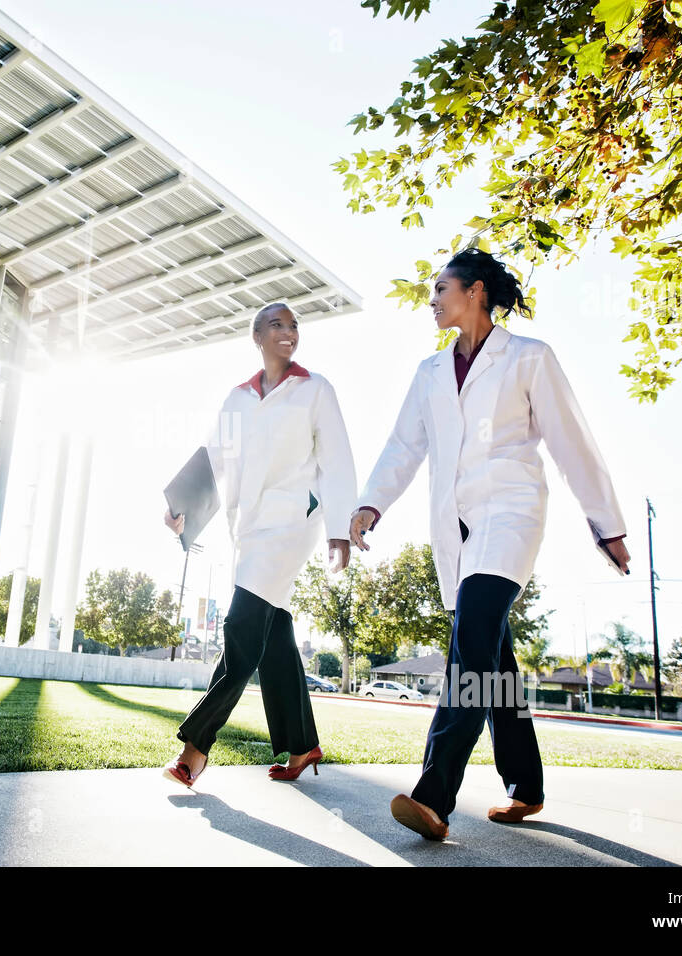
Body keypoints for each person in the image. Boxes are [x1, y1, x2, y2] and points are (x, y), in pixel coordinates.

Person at [350, 248, 630, 840]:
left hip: (510, 515)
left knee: (471, 642)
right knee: (493, 658)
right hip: (454, 528)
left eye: (441, 288)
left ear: (476, 291)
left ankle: (435, 794)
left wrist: (606, 523)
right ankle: (525, 785)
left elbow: (570, 440)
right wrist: (371, 503)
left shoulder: (528, 358)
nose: (432, 299)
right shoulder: (429, 373)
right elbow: (404, 447)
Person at [162, 302, 356, 787]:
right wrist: (179, 505)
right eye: (277, 325)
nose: (288, 332)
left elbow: (336, 458)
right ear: (257, 337)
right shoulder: (239, 398)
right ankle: (303, 744)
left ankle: (196, 747)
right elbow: (215, 457)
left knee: (242, 627)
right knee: (273, 637)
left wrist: (339, 527)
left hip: (293, 523)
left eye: (294, 325)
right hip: (248, 530)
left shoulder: (315, 390)